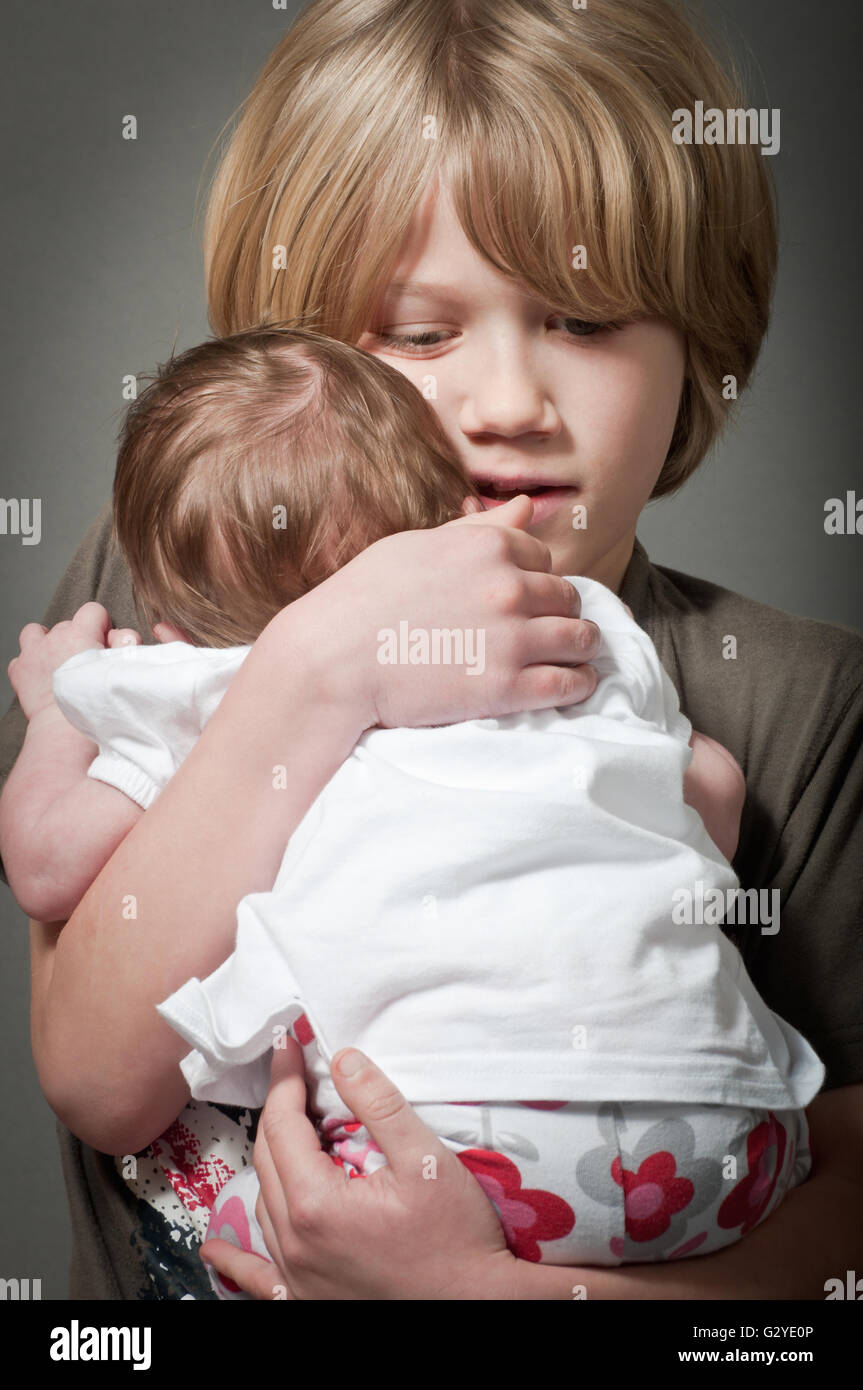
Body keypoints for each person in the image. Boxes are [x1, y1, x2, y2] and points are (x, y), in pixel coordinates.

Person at [0, 0, 861, 1300]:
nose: (508, 402)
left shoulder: (806, 704)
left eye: (585, 320)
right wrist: (318, 668)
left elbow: (849, 1204)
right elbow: (96, 1075)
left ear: (699, 345)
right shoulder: (166, 587)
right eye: (416, 330)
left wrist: (491, 1297)